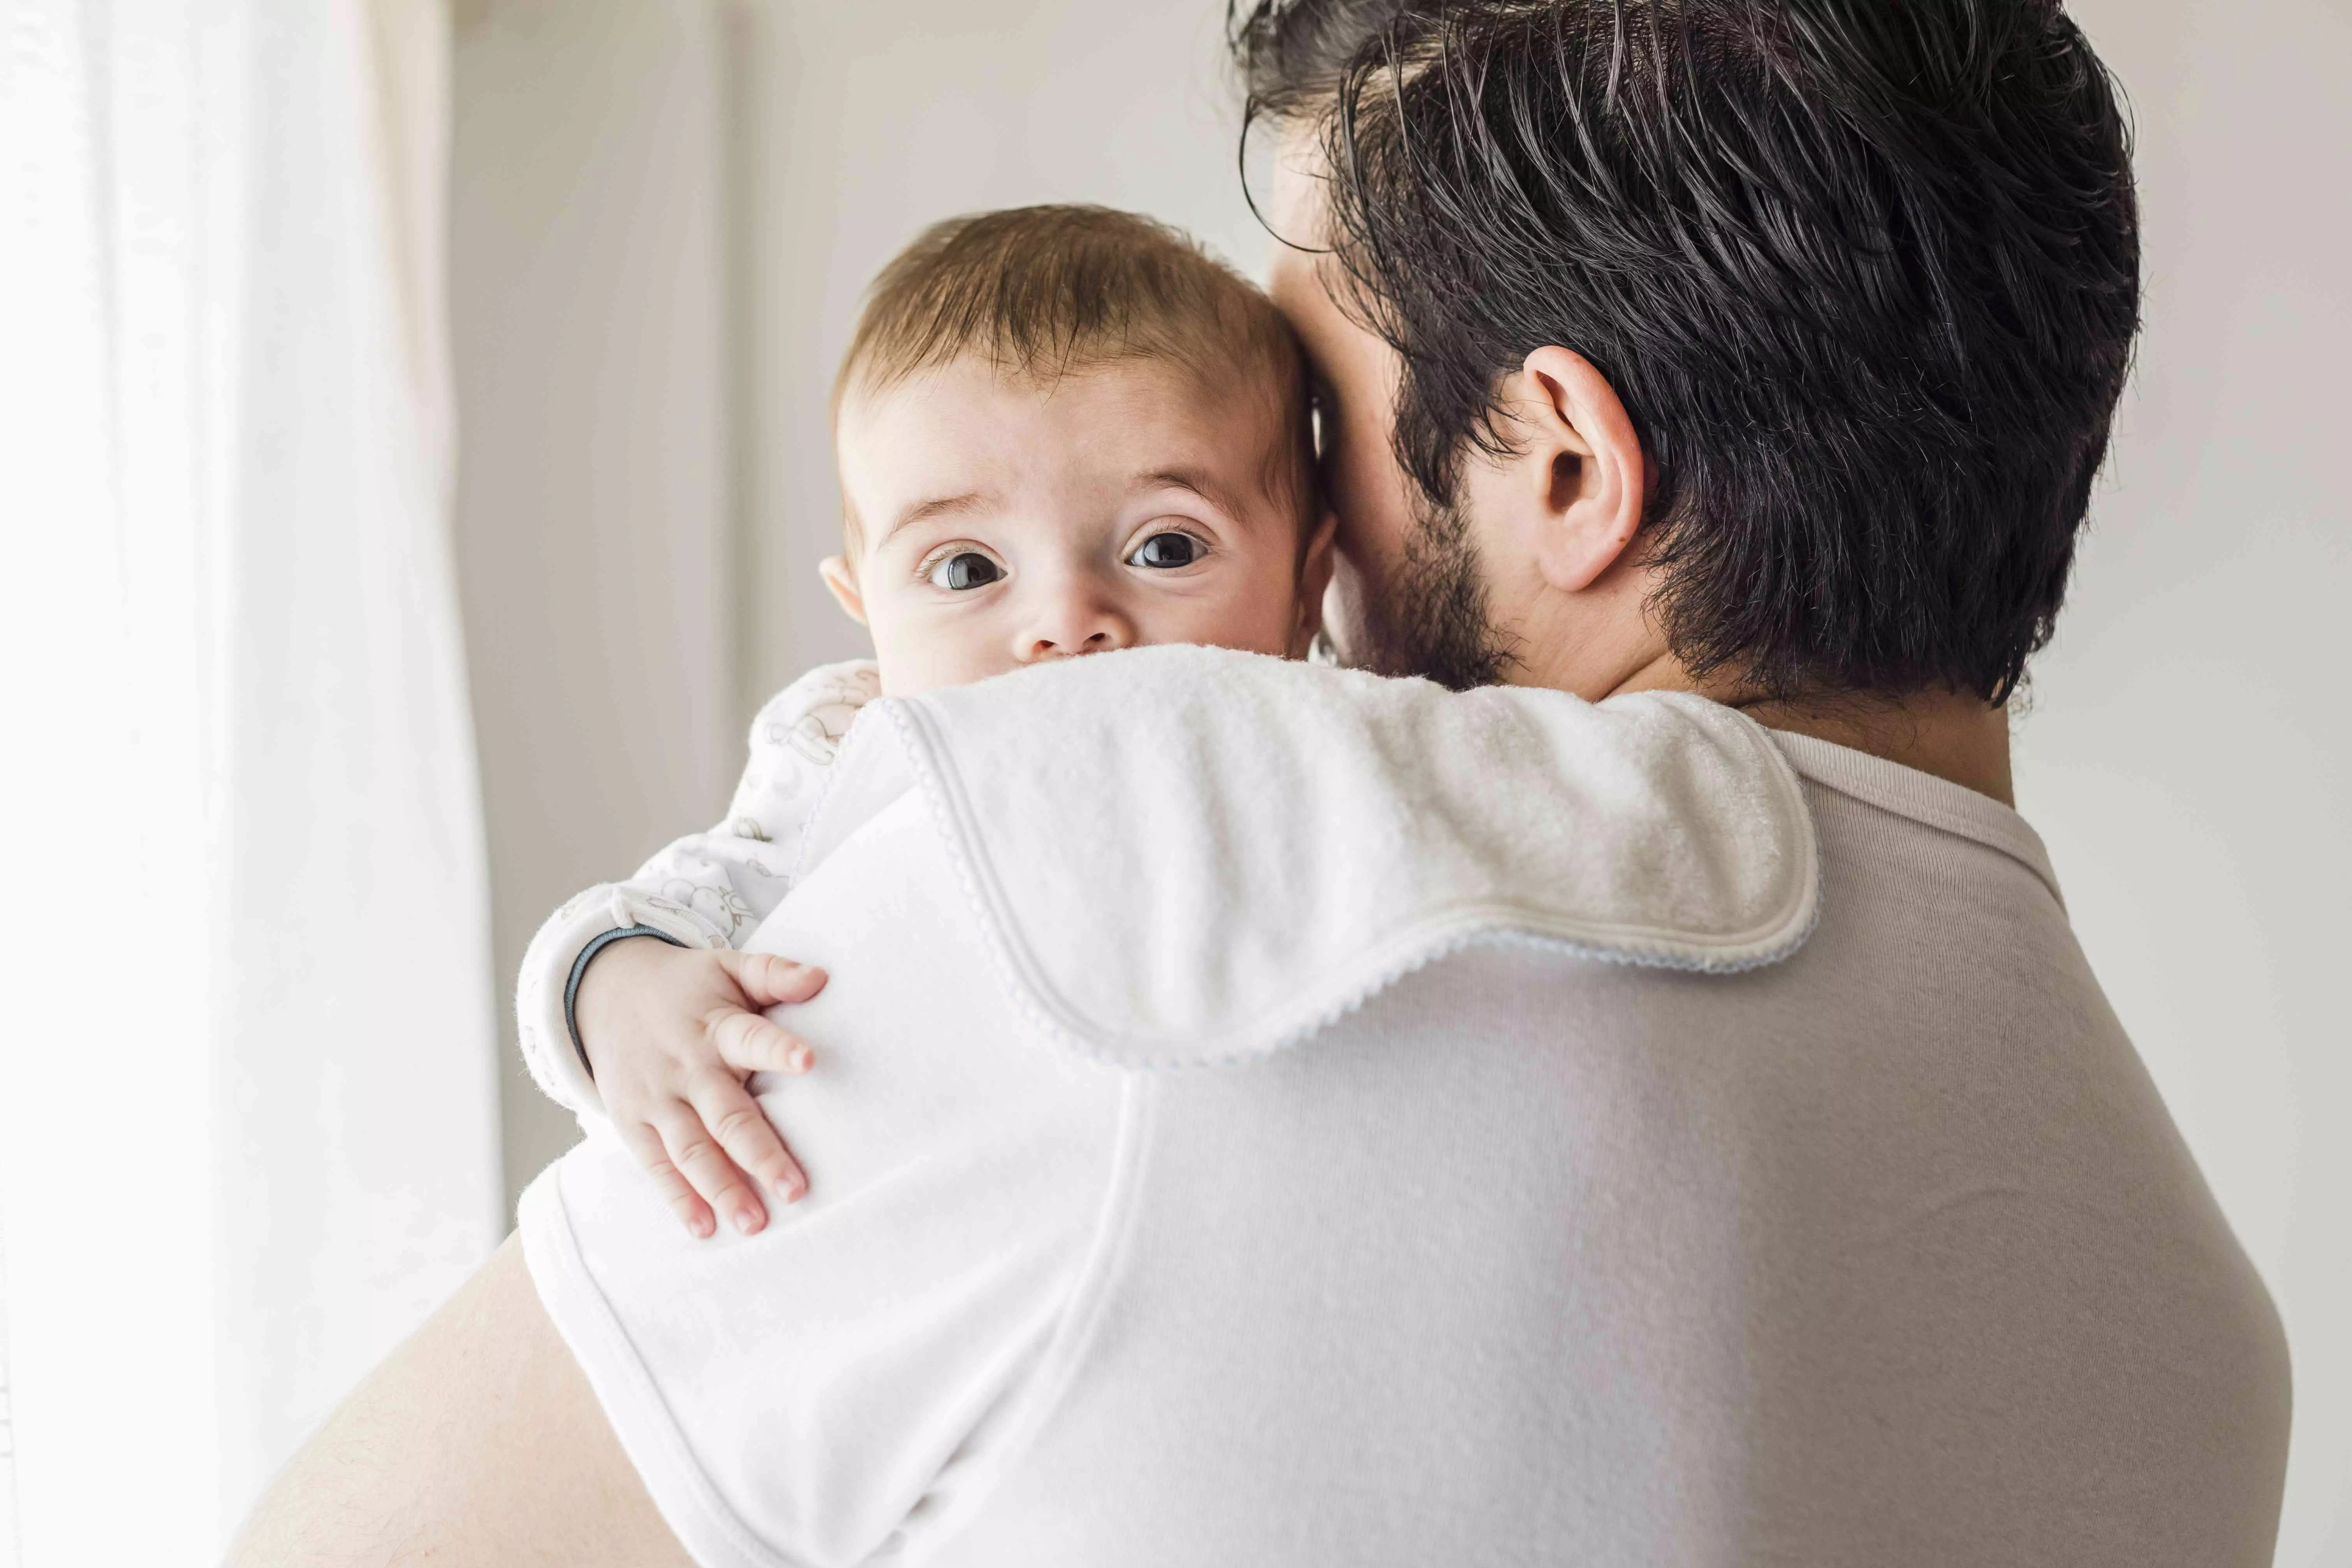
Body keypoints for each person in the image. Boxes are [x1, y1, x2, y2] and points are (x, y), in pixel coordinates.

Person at [227, 4, 2294, 1566]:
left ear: (1560, 468)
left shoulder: (1166, 848)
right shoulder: (2200, 1337)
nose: (1304, 505)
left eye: (1318, 406)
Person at [508, 203, 1335, 1243]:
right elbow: (689, 900)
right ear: (866, 612)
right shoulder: (852, 753)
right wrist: (622, 990)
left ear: (1311, 587)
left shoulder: (1330, 748)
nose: (1066, 621)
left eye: (1166, 548)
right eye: (966, 569)